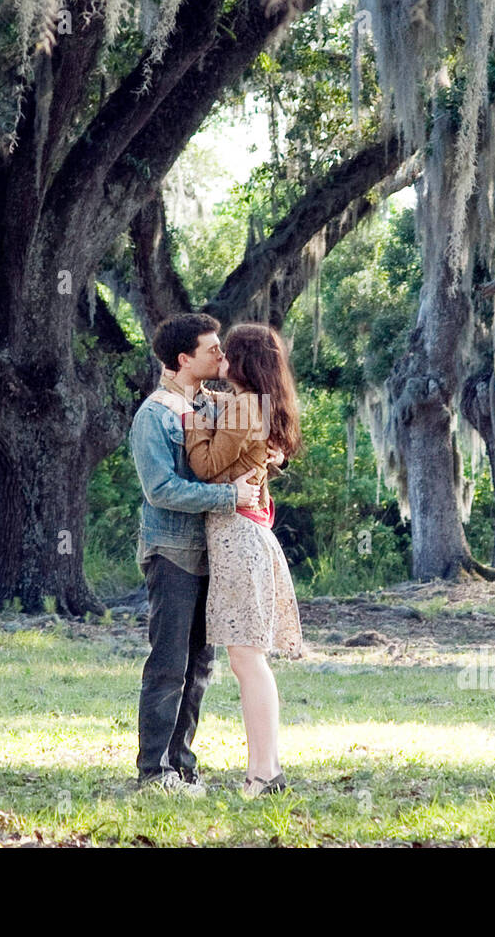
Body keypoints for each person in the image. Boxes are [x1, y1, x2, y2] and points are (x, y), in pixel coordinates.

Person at [128, 313, 262, 794]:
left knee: (201, 663)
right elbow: (161, 489)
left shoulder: (213, 404)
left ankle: (183, 763)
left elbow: (247, 438)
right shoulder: (155, 415)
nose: (222, 357)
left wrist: (272, 453)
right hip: (173, 554)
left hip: (215, 553)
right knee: (169, 663)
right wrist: (230, 499)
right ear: (184, 359)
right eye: (213, 350)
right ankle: (154, 772)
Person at [184, 323, 303, 797]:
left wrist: (192, 421)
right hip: (243, 534)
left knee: (248, 660)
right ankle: (264, 769)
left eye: (227, 353)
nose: (221, 361)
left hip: (237, 537)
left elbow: (205, 467)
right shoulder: (252, 405)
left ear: (242, 361)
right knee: (247, 660)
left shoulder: (245, 406)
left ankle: (264, 773)